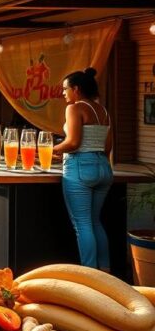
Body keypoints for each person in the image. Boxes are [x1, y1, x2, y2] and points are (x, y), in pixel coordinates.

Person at [52, 67, 113, 270]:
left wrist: (51, 149)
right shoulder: (103, 110)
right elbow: (107, 147)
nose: (63, 93)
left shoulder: (74, 108)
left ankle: (90, 275)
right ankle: (105, 272)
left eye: (65, 89)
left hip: (79, 167)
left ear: (76, 89)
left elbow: (73, 142)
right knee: (95, 222)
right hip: (103, 168)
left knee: (83, 225)